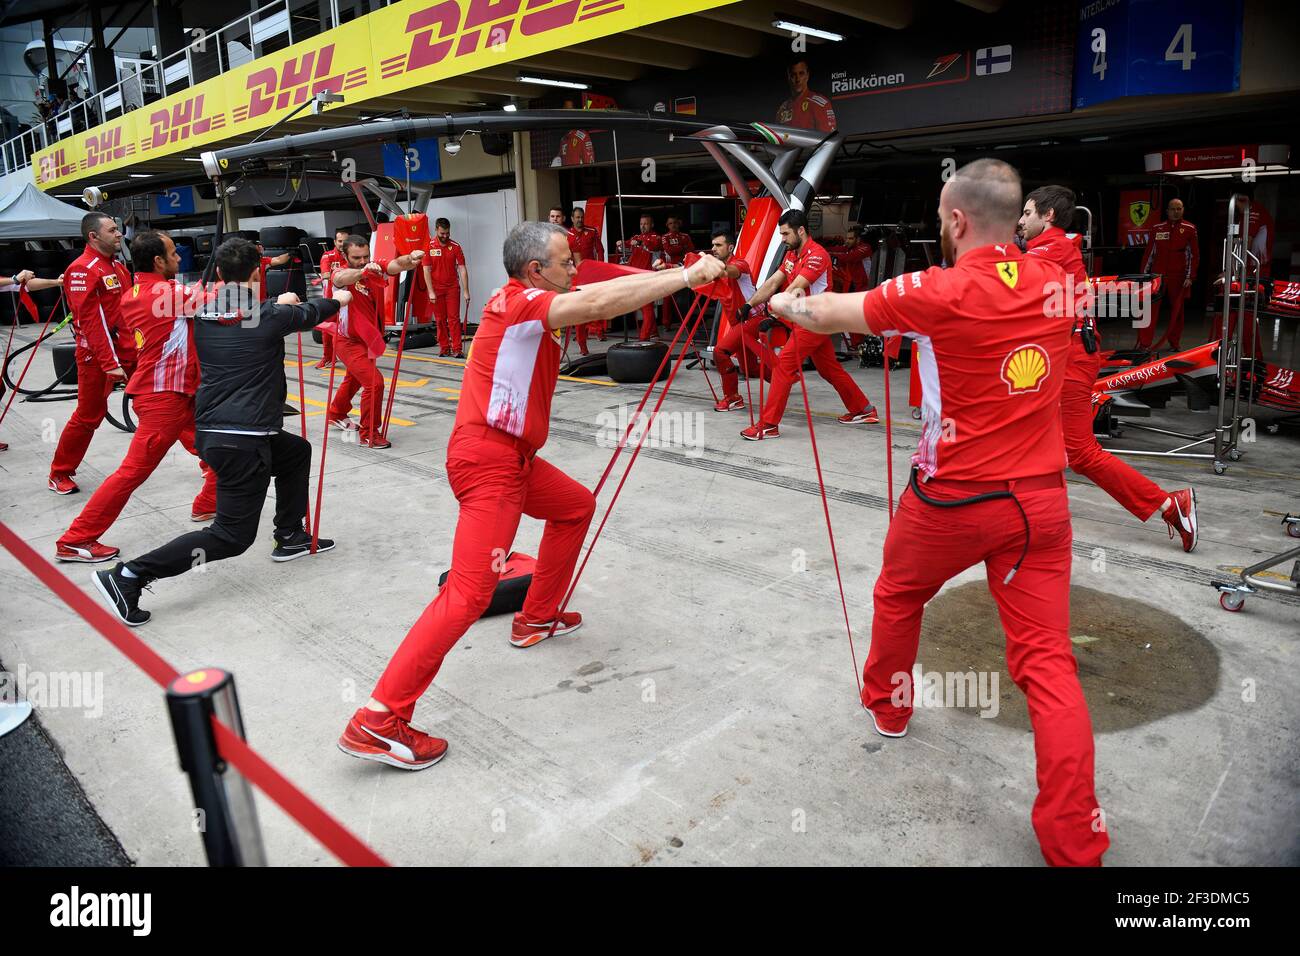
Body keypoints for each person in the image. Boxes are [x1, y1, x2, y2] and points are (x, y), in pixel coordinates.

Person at [768, 158, 1108, 867]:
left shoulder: (939, 289)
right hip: (1039, 504)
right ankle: (1076, 839)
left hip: (952, 496)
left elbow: (828, 313)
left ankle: (889, 706)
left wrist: (778, 301)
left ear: (955, 221)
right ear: (1018, 219)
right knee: (1048, 664)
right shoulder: (1059, 281)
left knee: (899, 594)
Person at [337, 221, 726, 769]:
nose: (576, 267)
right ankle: (377, 720)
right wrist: (687, 275)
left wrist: (683, 277)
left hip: (515, 459)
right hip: (488, 462)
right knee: (468, 594)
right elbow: (596, 302)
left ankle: (535, 617)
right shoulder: (517, 306)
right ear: (536, 270)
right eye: (566, 260)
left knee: (575, 507)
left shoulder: (538, 291)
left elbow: (598, 283)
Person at [91, 238, 347, 626]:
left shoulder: (200, 311)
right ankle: (129, 575)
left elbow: (250, 313)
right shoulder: (268, 317)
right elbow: (314, 311)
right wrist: (340, 297)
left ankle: (291, 534)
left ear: (219, 276)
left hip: (216, 431)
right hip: (242, 440)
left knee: (295, 452)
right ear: (257, 274)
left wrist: (280, 306)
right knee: (231, 536)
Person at [1020, 186, 1197, 551]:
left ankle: (1169, 504)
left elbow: (1005, 279)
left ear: (1047, 216)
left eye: (1027, 213)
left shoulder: (1051, 248)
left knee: (1080, 453)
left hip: (1070, 356)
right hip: (1058, 355)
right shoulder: (1051, 247)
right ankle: (1026, 516)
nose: (1020, 221)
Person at [54, 231, 218, 563]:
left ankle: (209, 502)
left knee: (215, 446)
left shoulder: (137, 291)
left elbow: (195, 297)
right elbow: (224, 299)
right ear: (158, 261)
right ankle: (77, 538)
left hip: (173, 392)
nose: (179, 258)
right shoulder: (164, 293)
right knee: (132, 472)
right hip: (164, 398)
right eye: (173, 253)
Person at [738, 209, 877, 440]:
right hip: (805, 319)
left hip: (815, 319)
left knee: (783, 367)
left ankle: (769, 425)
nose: (783, 239)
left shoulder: (817, 255)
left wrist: (772, 315)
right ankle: (864, 410)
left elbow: (796, 288)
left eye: (785, 234)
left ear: (800, 230)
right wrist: (749, 305)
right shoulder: (792, 254)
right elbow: (774, 282)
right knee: (828, 368)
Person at [48, 212, 132, 495]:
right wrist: (110, 363)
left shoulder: (117, 267)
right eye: (112, 230)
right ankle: (59, 472)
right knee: (89, 416)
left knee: (165, 399)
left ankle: (208, 464)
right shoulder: (83, 269)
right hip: (96, 358)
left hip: (128, 350)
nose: (119, 234)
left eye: (118, 229)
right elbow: (91, 323)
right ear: (93, 236)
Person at [325, 236, 426, 448]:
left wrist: (412, 258)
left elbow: (397, 264)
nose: (362, 261)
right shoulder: (340, 273)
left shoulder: (375, 266)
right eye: (356, 257)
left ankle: (336, 412)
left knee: (354, 378)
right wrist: (364, 272)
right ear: (344, 256)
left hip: (369, 340)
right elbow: (343, 278)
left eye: (365, 256)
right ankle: (369, 433)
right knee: (374, 383)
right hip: (348, 341)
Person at [706, 229, 775, 413]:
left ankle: (733, 398)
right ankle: (781, 379)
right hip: (740, 323)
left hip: (753, 318)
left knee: (720, 352)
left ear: (730, 247)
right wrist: (669, 268)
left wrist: (709, 266)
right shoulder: (717, 270)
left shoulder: (739, 265)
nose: (714, 248)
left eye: (718, 245)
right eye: (713, 245)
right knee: (750, 368)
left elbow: (731, 271)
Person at [1138, 198, 1198, 352]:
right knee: (1149, 310)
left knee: (1177, 312)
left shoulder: (1190, 228)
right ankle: (1144, 344)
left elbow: (1194, 255)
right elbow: (1149, 254)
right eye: (1173, 209)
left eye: (1179, 209)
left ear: (1183, 210)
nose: (1176, 212)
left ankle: (1174, 343)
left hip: (1178, 277)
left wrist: (1190, 277)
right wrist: (1143, 276)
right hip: (1156, 276)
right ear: (1167, 211)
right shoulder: (1157, 228)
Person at [566, 205, 607, 354]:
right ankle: (583, 346)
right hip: (576, 277)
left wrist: (600, 268)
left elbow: (600, 250)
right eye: (577, 217)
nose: (580, 220)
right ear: (572, 219)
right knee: (579, 311)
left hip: (592, 274)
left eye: (582, 217)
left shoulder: (592, 232)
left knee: (597, 304)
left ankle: (599, 331)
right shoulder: (566, 234)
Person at [426, 217, 469, 358]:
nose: (445, 236)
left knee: (454, 319)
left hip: (452, 288)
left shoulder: (455, 246)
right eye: (442, 233)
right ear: (436, 230)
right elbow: (426, 270)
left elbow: (462, 268)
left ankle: (457, 349)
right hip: (436, 289)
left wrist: (466, 291)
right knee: (439, 319)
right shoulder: (429, 246)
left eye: (447, 233)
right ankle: (444, 348)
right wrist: (431, 291)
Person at [618, 215, 663, 339]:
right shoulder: (636, 237)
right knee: (642, 307)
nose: (643, 226)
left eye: (646, 224)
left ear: (652, 225)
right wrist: (621, 243)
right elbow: (626, 244)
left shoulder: (656, 238)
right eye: (641, 224)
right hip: (635, 276)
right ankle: (653, 332)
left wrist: (639, 243)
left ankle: (643, 337)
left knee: (646, 307)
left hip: (648, 277)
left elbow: (653, 246)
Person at [315, 228, 349, 369]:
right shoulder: (327, 256)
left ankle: (350, 357)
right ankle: (328, 357)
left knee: (349, 331)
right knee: (326, 330)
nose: (342, 244)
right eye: (340, 241)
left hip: (350, 300)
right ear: (335, 242)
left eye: (345, 241)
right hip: (331, 299)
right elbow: (325, 274)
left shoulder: (353, 256)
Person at [776, 59, 836, 132]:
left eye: (801, 73)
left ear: (807, 75)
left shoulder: (820, 104)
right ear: (788, 78)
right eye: (793, 75)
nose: (798, 79)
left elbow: (828, 140)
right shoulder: (783, 108)